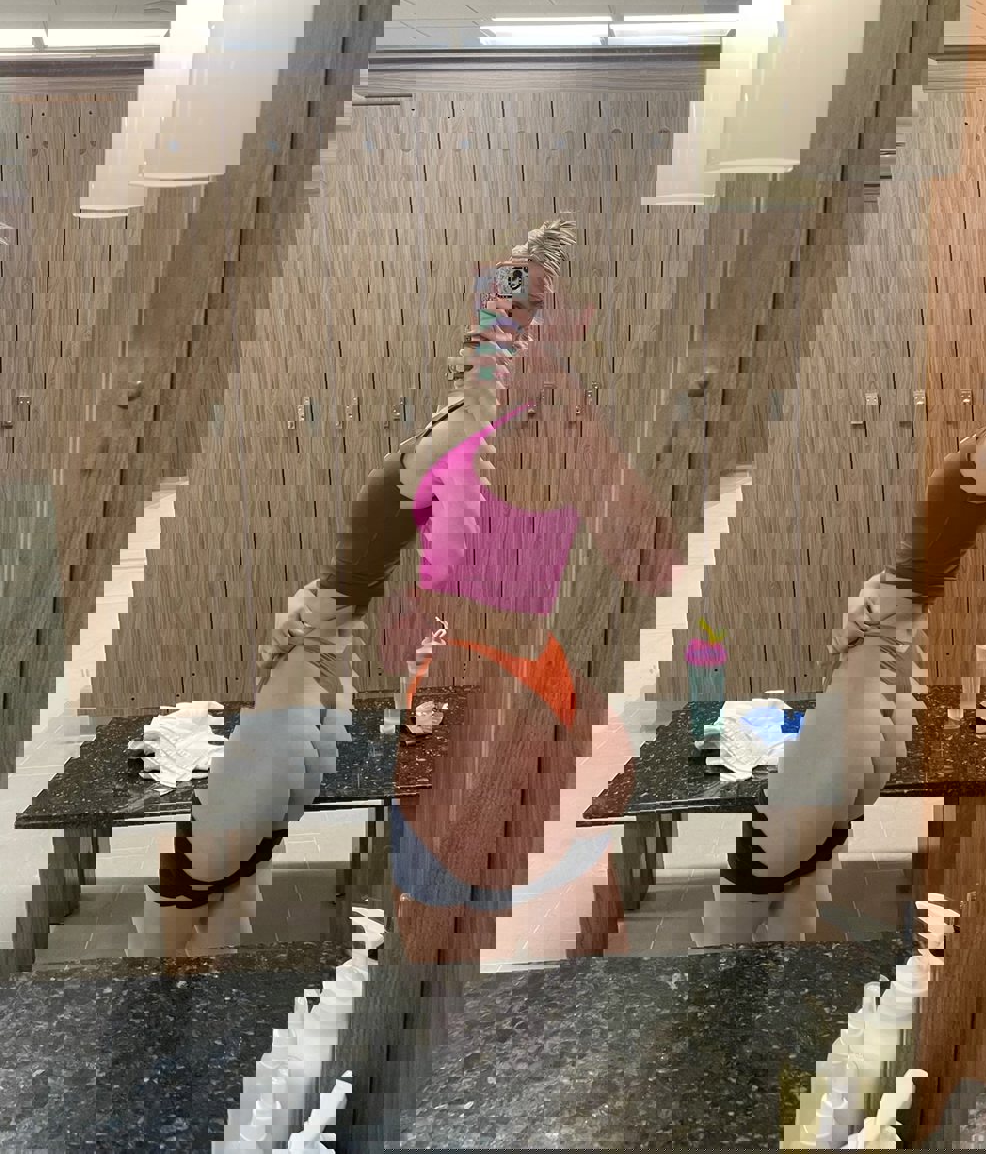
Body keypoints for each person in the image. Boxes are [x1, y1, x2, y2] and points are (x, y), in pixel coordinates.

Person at [138, 217, 676, 960]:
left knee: (539, 897)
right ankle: (179, 955)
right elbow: (425, 556)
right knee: (281, 833)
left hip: (492, 675)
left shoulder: (527, 427)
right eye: (508, 313)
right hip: (419, 668)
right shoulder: (465, 432)